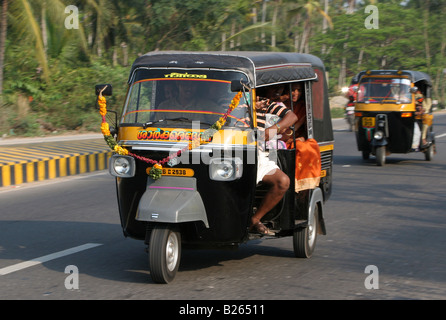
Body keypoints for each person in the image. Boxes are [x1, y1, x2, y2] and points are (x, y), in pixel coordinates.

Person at [250, 85, 298, 235]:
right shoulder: (228, 101)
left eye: (279, 89)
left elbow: (292, 117)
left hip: (257, 153)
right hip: (230, 152)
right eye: (273, 88)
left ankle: (254, 219)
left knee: (283, 182)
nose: (277, 92)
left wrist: (273, 129)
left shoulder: (264, 102)